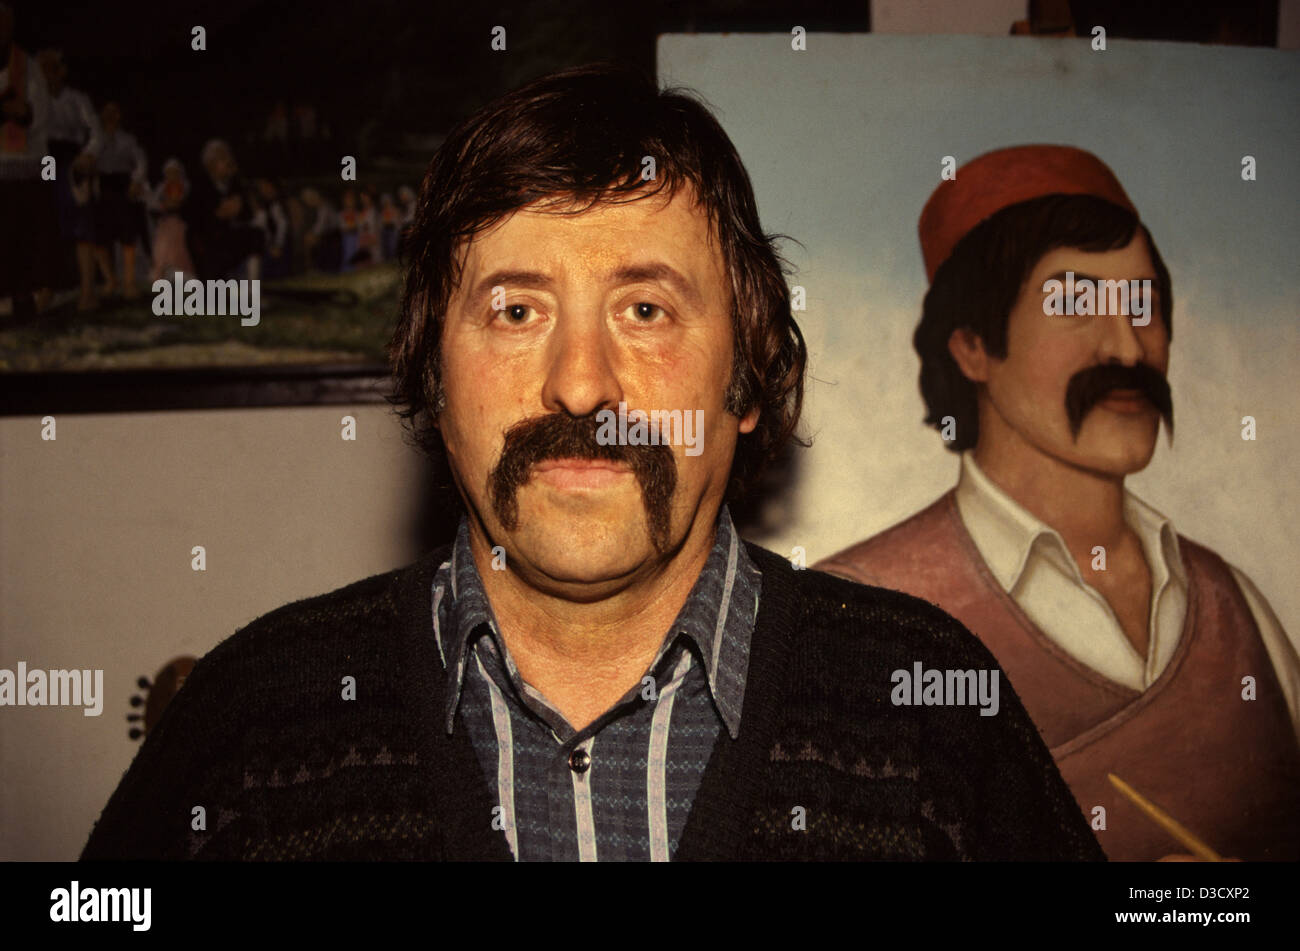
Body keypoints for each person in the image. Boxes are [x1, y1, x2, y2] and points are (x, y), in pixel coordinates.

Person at [81, 66, 1100, 862]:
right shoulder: (252, 723)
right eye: (515, 310)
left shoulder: (928, 712)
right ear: (436, 377)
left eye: (645, 310)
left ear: (746, 382)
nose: (579, 386)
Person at [817, 145, 1300, 861]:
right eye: (1077, 304)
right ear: (973, 345)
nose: (1128, 348)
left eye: (1143, 305)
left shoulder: (1238, 608)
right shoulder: (851, 615)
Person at [0, 3, 55, 319]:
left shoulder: (28, 66)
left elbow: (39, 113)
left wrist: (25, 113)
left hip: (24, 166)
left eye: (5, 22)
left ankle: (24, 298)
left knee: (21, 235)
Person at [36, 47, 99, 306]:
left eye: (52, 68)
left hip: (73, 159)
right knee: (47, 221)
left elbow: (95, 131)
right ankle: (46, 289)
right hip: (45, 158)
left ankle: (87, 291)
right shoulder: (36, 100)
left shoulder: (77, 99)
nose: (47, 74)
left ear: (61, 71)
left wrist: (88, 155)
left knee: (81, 221)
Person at [184, 138, 263, 281]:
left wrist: (239, 209)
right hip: (206, 243)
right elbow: (193, 218)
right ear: (210, 164)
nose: (228, 162)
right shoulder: (199, 185)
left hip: (226, 239)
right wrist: (217, 214)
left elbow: (247, 214)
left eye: (228, 157)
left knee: (256, 236)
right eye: (222, 158)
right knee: (212, 285)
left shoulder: (234, 183)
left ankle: (252, 289)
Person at [91, 100, 148, 299]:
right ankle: (110, 279)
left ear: (119, 115)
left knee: (128, 237)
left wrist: (136, 180)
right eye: (106, 111)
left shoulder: (128, 140)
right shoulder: (94, 139)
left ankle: (129, 282)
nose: (110, 115)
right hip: (103, 187)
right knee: (99, 238)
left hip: (124, 186)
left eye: (114, 111)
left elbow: (140, 161)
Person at [147, 157, 194, 282]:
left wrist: (179, 204)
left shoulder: (186, 186)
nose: (172, 175)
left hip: (181, 222)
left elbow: (190, 204)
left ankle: (182, 274)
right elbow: (153, 203)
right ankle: (162, 273)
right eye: (169, 172)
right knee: (163, 248)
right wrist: (164, 205)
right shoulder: (162, 187)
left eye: (175, 172)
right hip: (165, 223)